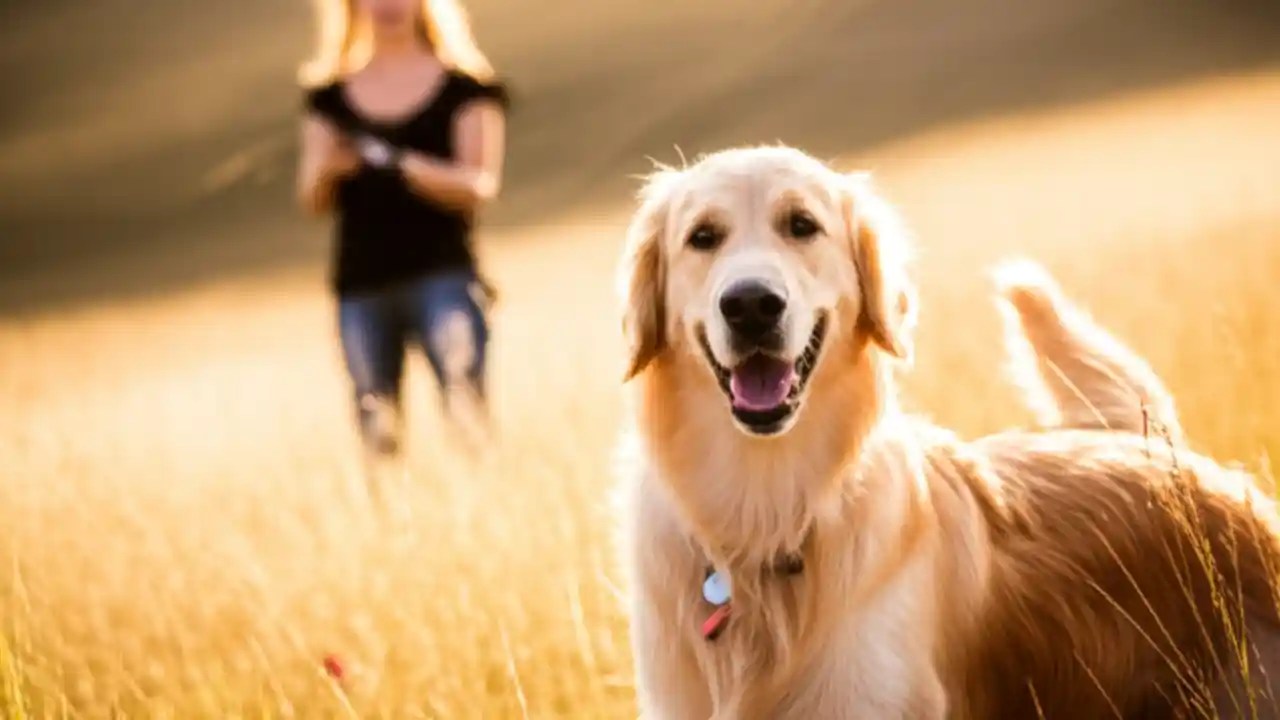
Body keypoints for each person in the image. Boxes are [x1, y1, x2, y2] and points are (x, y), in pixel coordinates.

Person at [297, 0, 507, 458]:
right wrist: (329, 168)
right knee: (377, 429)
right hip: (361, 283)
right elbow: (311, 198)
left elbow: (479, 184)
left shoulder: (467, 89)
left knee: (466, 412)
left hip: (445, 276)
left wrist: (398, 164)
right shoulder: (328, 97)